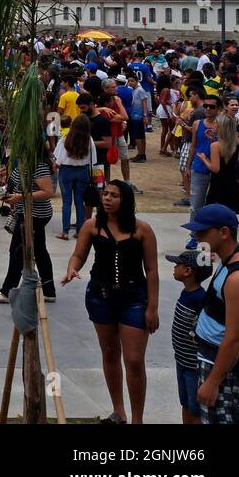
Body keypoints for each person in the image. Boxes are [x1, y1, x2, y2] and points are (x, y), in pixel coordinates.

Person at [61, 180, 160, 424]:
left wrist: (153, 307)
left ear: (125, 200)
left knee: (134, 360)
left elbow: (152, 270)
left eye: (114, 195)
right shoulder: (91, 226)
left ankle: (138, 418)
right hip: (100, 296)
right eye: (105, 194)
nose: (107, 198)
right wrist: (72, 268)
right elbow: (79, 254)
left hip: (135, 298)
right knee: (109, 353)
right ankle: (119, 411)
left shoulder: (142, 230)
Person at [185, 204, 239, 424]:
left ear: (224, 233)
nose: (197, 236)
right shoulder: (227, 258)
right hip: (211, 357)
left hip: (226, 369)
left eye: (203, 231)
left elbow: (235, 338)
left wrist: (214, 382)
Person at [0, 146, 57, 305]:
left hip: (35, 215)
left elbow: (48, 192)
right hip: (26, 212)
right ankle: (49, 290)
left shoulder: (38, 165)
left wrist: (19, 197)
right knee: (39, 250)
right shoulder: (23, 162)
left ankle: (7, 290)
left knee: (17, 250)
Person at [166, 249, 212, 424]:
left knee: (195, 408)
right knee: (185, 402)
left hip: (194, 365)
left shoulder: (199, 298)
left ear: (188, 271)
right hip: (182, 361)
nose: (175, 266)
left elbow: (202, 328)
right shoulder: (186, 293)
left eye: (178, 264)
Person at [54, 113, 98, 240]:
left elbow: (58, 158)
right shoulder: (89, 140)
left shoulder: (65, 138)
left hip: (66, 171)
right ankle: (80, 230)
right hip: (82, 171)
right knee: (80, 202)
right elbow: (93, 160)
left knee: (66, 202)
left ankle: (65, 231)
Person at [201, 111, 239, 216]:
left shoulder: (216, 146)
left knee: (215, 218)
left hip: (219, 186)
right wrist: (212, 139)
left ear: (220, 127)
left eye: (216, 123)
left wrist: (204, 159)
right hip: (233, 186)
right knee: (229, 218)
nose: (213, 125)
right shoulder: (235, 143)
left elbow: (215, 168)